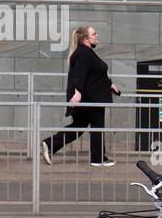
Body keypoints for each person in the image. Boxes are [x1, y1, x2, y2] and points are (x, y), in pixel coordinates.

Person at [41, 25, 121, 167]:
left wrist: (109, 84)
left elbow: (94, 75)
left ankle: (50, 144)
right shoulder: (84, 53)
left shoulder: (85, 52)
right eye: (94, 34)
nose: (97, 36)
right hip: (91, 99)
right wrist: (78, 91)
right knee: (97, 126)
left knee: (79, 126)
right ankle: (97, 159)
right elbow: (79, 74)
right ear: (85, 39)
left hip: (90, 97)